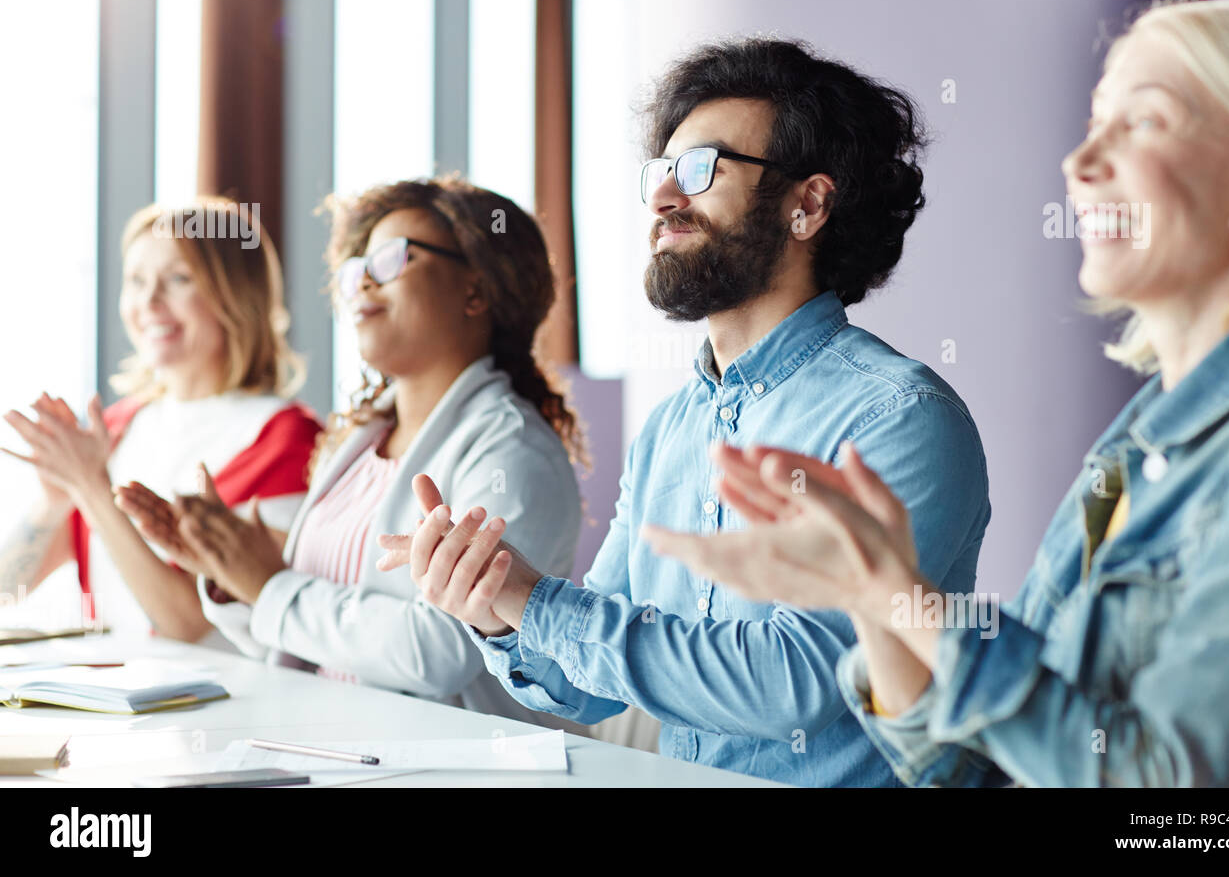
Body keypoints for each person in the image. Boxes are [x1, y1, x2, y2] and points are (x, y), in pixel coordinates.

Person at [643, 0, 1229, 787]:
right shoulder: (1139, 439)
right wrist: (880, 600)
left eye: (1147, 122)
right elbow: (965, 768)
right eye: (1094, 124)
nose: (1081, 164)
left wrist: (895, 595)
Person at [380, 39, 991, 786]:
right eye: (662, 173)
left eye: (701, 170)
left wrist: (534, 601)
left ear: (808, 205)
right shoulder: (671, 429)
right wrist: (488, 602)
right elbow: (582, 685)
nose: (665, 197)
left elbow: (791, 684)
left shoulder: (900, 418)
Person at [119, 178, 584, 724]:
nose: (362, 279)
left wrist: (269, 587)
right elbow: (307, 630)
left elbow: (438, 650)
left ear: (475, 291)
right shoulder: (359, 441)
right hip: (332, 747)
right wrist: (232, 573)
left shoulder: (513, 452)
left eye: (390, 260)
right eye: (354, 267)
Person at [0, 198, 320, 645]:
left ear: (235, 295)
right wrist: (57, 497)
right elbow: (6, 590)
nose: (148, 302)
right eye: (135, 280)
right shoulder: (115, 428)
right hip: (106, 700)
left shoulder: (286, 439)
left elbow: (192, 626)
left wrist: (92, 488)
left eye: (178, 279)